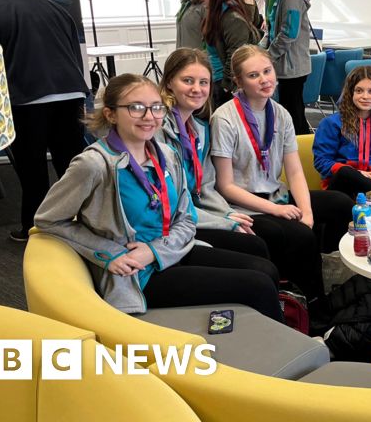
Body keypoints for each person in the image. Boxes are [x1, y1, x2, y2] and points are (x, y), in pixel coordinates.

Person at [35, 74, 283, 321]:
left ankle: (285, 337)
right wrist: (109, 253)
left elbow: (186, 219)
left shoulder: (166, 154)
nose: (149, 117)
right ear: (111, 114)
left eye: (156, 108)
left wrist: (154, 251)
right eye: (136, 108)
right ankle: (280, 353)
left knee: (265, 268)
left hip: (170, 251)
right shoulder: (93, 165)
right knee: (257, 285)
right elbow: (48, 219)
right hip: (138, 274)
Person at [212, 46, 351, 300]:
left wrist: (306, 212)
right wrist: (278, 211)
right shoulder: (224, 118)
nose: (264, 80)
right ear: (239, 81)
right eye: (253, 76)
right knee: (297, 234)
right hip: (244, 205)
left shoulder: (281, 114)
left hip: (277, 195)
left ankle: (326, 272)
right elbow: (225, 185)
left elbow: (295, 170)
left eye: (267, 71)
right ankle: (314, 301)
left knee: (340, 204)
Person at [0, 0, 88, 242]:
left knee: (32, 169)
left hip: (25, 99)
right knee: (76, 166)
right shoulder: (55, 6)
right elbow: (74, 53)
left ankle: (35, 230)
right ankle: (91, 223)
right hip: (70, 92)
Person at [158, 48, 273, 262]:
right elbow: (173, 203)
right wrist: (223, 221)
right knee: (255, 244)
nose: (197, 89)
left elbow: (206, 187)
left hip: (199, 213)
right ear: (168, 83)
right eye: (188, 81)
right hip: (175, 224)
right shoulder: (156, 132)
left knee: (256, 237)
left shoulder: (200, 129)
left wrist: (226, 214)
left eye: (203, 82)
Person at [313, 66, 371, 198]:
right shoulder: (331, 123)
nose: (365, 96)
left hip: (370, 182)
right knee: (345, 172)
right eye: (359, 91)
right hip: (339, 186)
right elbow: (321, 161)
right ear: (350, 93)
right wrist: (356, 174)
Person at [261, 0, 313, 135]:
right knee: (289, 113)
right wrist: (259, 50)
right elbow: (271, 28)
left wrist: (268, 55)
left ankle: (303, 156)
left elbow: (288, 33)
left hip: (292, 67)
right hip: (282, 64)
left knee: (294, 116)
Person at [198, 0, 258, 104]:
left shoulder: (232, 18)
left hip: (225, 84)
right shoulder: (217, 15)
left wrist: (225, 85)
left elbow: (235, 55)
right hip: (216, 80)